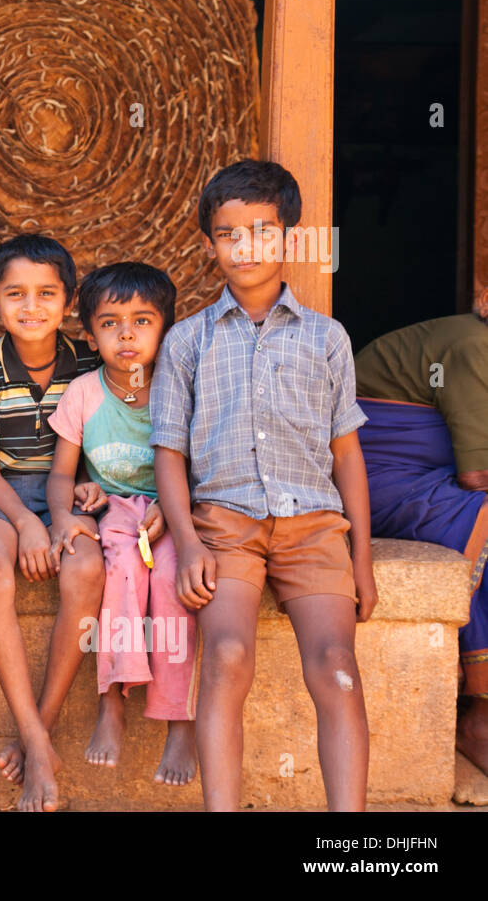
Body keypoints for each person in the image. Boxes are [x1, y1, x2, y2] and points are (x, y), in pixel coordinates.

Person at [151, 159, 376, 811]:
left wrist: (360, 555)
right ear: (208, 244)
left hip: (313, 526)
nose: (245, 247)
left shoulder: (325, 337)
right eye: (229, 233)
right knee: (224, 656)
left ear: (289, 238)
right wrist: (189, 542)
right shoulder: (187, 342)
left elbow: (347, 453)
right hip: (226, 524)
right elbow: (169, 452)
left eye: (262, 230)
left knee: (337, 666)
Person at [0, 234, 102, 812]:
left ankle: (39, 729)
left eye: (47, 293)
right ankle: (38, 741)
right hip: (5, 497)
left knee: (87, 570)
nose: (31, 305)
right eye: (15, 293)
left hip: (70, 496)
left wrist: (88, 488)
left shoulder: (91, 362)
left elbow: (107, 444)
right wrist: (27, 525)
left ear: (69, 302)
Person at [47, 262, 198, 785]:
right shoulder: (83, 394)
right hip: (113, 510)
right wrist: (66, 515)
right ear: (89, 334)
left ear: (166, 330)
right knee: (123, 573)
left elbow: (199, 465)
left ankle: (180, 716)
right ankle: (112, 698)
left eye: (142, 321)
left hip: (174, 511)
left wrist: (177, 510)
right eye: (110, 323)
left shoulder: (178, 390)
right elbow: (62, 474)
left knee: (173, 583)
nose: (126, 334)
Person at [351, 288, 488, 776]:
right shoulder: (474, 345)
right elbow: (477, 476)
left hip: (430, 477)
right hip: (378, 480)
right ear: (486, 298)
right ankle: (478, 716)